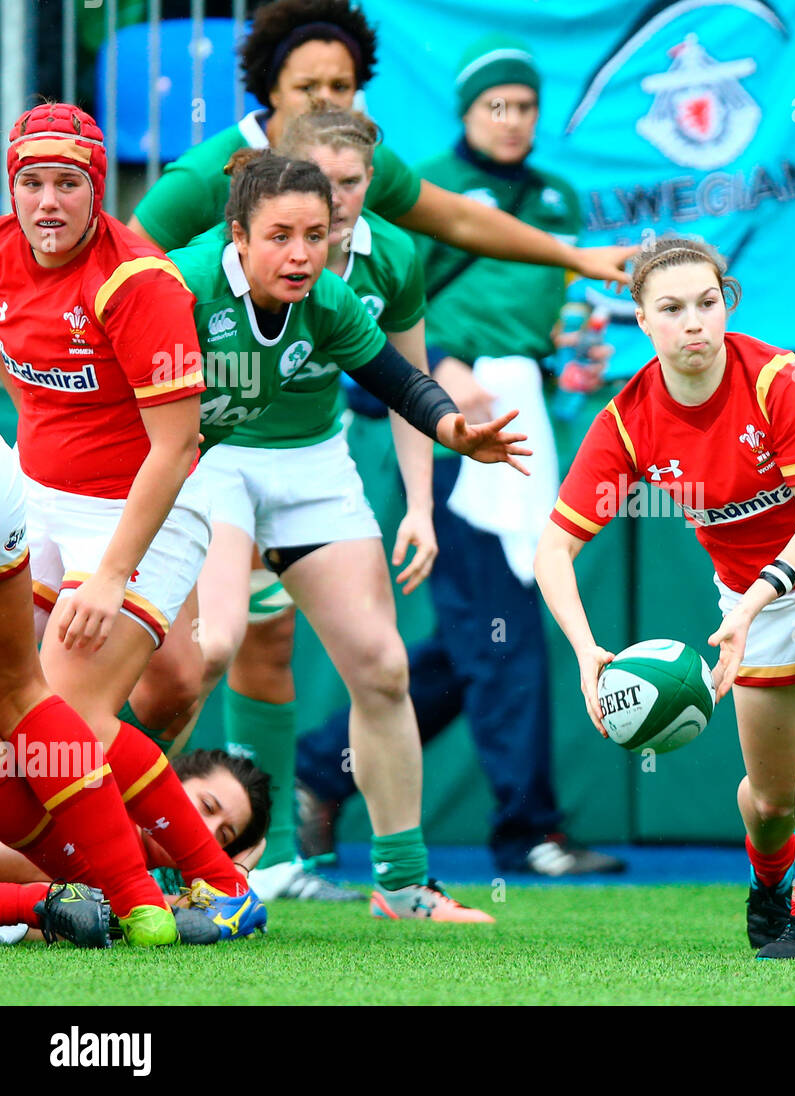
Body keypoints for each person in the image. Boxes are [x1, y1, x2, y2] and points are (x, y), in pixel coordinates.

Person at [131, 147, 526, 923]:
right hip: (209, 460)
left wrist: (453, 428)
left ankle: (404, 886)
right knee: (210, 650)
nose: (302, 253)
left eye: (316, 234)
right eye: (280, 235)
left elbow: (397, 379)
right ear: (235, 232)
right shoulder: (180, 282)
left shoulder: (334, 295)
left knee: (382, 666)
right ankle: (109, 845)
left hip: (312, 464)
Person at [534, 237, 795, 959]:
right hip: (756, 601)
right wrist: (589, 651)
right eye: (673, 309)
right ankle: (770, 879)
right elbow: (552, 551)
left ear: (727, 302)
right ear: (642, 320)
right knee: (769, 801)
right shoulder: (628, 421)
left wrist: (750, 603)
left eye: (708, 303)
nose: (695, 324)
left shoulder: (783, 380)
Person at [295, 38, 624, 878]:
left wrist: (566, 347)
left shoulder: (558, 197)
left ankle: (318, 768)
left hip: (526, 408)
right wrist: (438, 367)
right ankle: (529, 831)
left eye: (524, 105)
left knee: (482, 632)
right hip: (449, 423)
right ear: (468, 113)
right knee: (502, 629)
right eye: (495, 106)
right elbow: (394, 302)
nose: (511, 121)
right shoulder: (426, 185)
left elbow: (540, 308)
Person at [0, 101, 263, 943]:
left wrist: (111, 574)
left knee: (67, 718)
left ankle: (218, 886)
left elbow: (176, 446)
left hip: (144, 509)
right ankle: (95, 895)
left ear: (96, 190)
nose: (47, 202)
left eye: (66, 184)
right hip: (35, 499)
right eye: (31, 183)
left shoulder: (137, 282)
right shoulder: (5, 258)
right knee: (23, 713)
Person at [125, 0, 634, 286]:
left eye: (341, 87)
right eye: (307, 87)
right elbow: (126, 272)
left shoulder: (358, 159)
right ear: (271, 88)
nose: (325, 100)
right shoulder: (203, 174)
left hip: (317, 415)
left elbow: (457, 218)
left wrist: (578, 258)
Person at [0, 748, 272, 947]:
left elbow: (90, 909)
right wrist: (232, 880)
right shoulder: (87, 791)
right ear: (170, 780)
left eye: (223, 836)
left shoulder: (139, 882)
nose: (206, 832)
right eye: (207, 806)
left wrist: (230, 879)